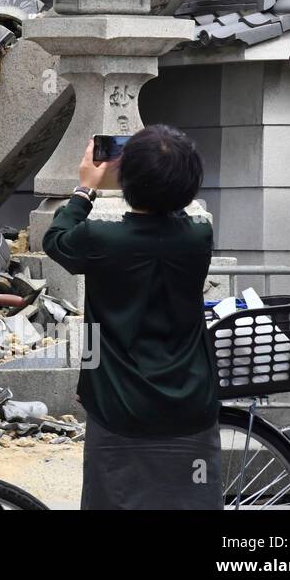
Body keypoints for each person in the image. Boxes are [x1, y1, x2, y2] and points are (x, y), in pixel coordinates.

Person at [43, 125, 220, 510]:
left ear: (126, 179)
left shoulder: (101, 238)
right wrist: (163, 170)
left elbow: (55, 239)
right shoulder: (199, 234)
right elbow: (180, 211)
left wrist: (85, 188)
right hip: (190, 401)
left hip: (118, 403)